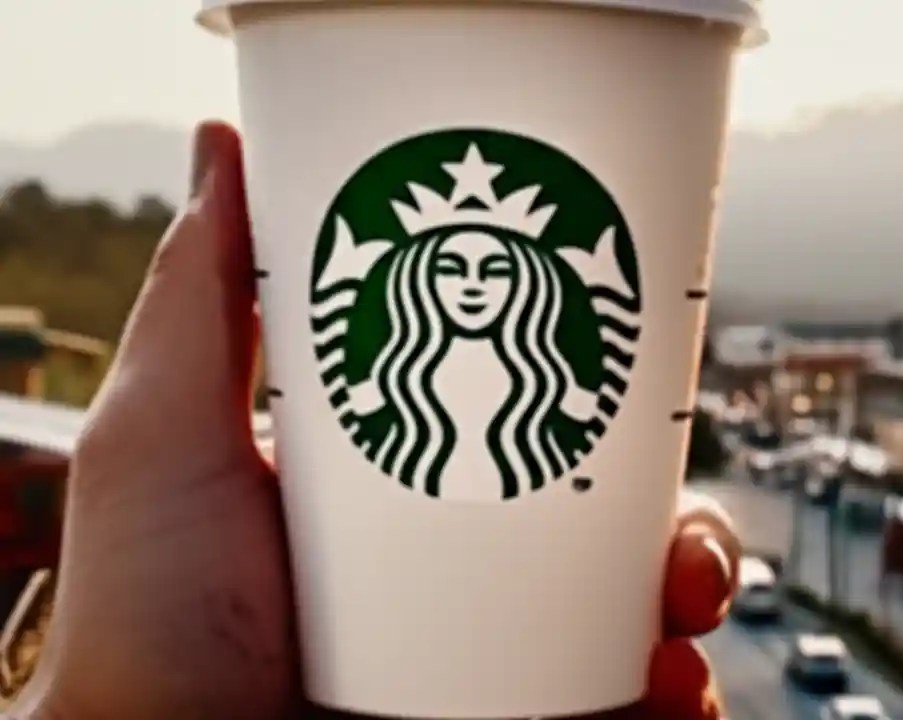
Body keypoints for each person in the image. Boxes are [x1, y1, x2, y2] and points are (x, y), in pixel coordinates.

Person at [2, 122, 740, 720]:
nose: (474, 288)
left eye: (497, 270)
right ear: (416, 277)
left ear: (532, 281)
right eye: (452, 269)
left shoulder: (545, 396)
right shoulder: (401, 388)